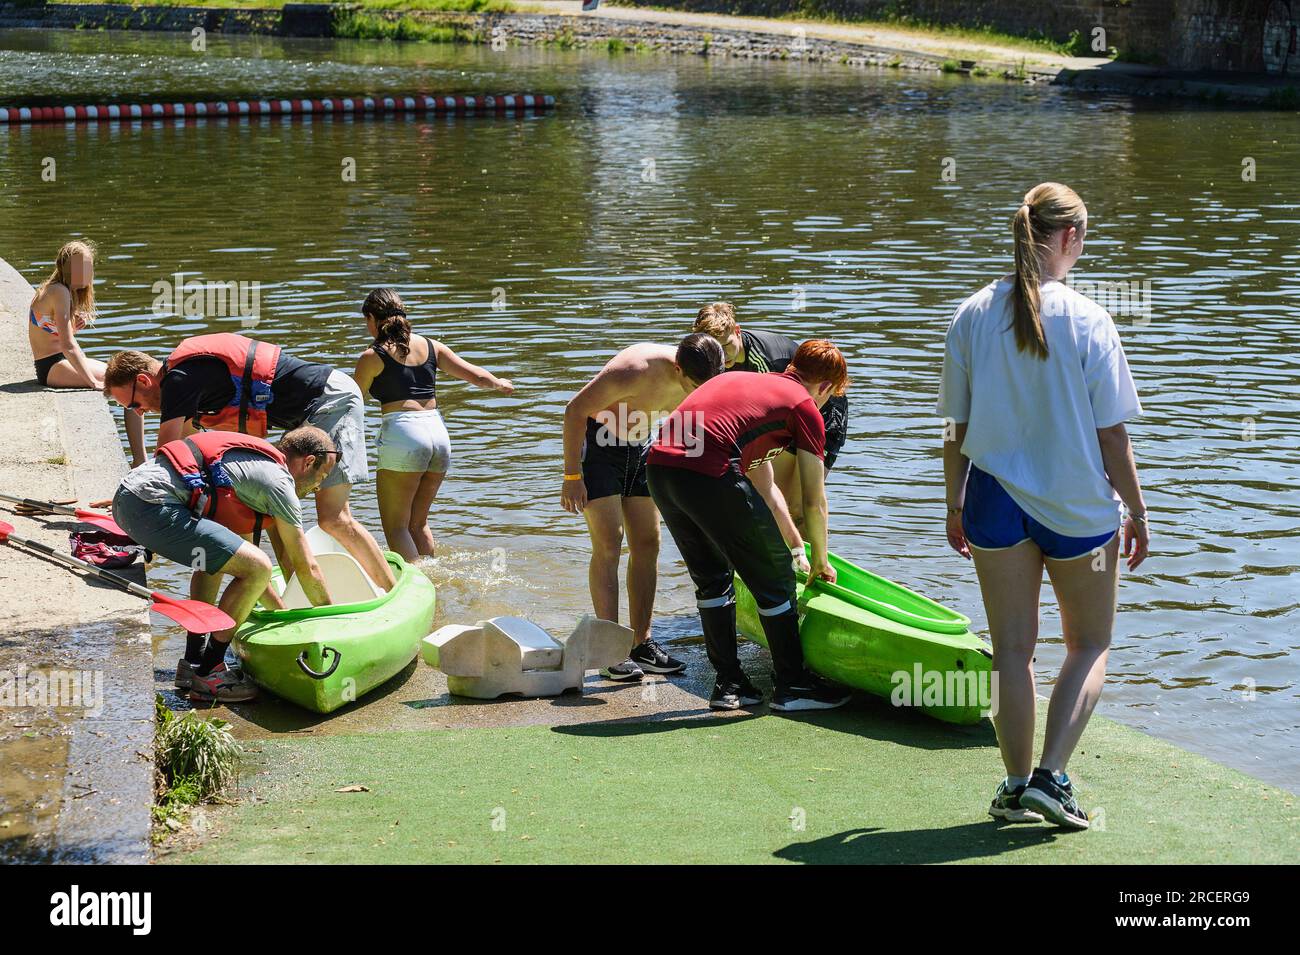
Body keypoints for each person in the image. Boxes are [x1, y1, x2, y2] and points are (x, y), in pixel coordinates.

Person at [938, 182, 1149, 830]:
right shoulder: (1089, 318)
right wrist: (1139, 512)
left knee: (1011, 651)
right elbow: (1112, 434)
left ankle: (1011, 784)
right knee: (1090, 642)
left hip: (992, 499)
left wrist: (954, 504)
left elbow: (954, 428)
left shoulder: (971, 313)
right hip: (1077, 505)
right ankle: (1052, 776)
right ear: (1070, 238)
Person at [646, 339, 853, 712]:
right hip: (708, 471)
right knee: (775, 581)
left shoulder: (749, 384)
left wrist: (794, 544)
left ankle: (729, 685)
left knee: (712, 579)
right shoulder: (804, 407)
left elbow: (766, 485)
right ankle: (793, 686)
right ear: (825, 388)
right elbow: (814, 499)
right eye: (830, 395)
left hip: (660, 467)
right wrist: (820, 560)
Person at [100, 332, 395, 592]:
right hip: (307, 410)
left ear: (143, 380)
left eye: (135, 404)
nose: (139, 413)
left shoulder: (179, 380)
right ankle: (296, 593)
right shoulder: (187, 386)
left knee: (333, 518)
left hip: (331, 399)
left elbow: (166, 458)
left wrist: (139, 496)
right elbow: (188, 460)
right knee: (268, 508)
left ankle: (389, 590)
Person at [112, 427, 338, 703]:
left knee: (219, 560)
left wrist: (281, 616)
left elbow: (243, 564)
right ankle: (210, 672)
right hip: (151, 507)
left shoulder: (247, 466)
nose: (317, 488)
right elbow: (306, 567)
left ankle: (193, 662)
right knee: (259, 567)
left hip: (128, 499)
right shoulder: (279, 484)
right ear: (308, 462)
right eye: (321, 478)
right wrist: (332, 623)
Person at [561, 334, 724, 680]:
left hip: (643, 446)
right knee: (609, 542)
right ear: (678, 368)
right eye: (694, 386)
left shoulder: (704, 374)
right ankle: (608, 651)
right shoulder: (633, 370)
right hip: (599, 447)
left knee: (649, 542)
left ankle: (641, 644)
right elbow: (574, 410)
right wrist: (572, 475)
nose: (700, 393)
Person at [351, 288, 513, 561]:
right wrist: (499, 383)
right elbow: (476, 376)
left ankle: (418, 586)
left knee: (396, 527)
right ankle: (435, 580)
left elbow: (352, 402)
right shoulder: (431, 346)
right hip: (439, 436)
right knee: (418, 523)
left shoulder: (372, 356)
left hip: (404, 436)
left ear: (371, 318)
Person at [693, 302, 849, 529]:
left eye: (726, 346)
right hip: (786, 415)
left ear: (737, 331)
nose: (721, 356)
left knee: (800, 506)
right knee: (776, 502)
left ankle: (813, 559)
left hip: (822, 408)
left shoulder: (766, 361)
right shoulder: (715, 361)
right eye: (713, 350)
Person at [28, 240, 145, 465]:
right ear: (65, 267)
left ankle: (140, 460)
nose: (85, 272)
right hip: (51, 367)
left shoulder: (60, 290)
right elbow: (67, 346)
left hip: (55, 362)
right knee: (129, 386)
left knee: (131, 380)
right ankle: (139, 460)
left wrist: (72, 328)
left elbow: (53, 336)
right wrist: (91, 381)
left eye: (88, 267)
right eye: (79, 267)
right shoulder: (59, 291)